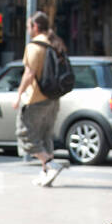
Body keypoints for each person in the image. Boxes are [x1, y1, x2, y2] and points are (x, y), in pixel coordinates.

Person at [13, 11, 68, 187]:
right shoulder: (55, 43)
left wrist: (19, 94)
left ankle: (50, 164)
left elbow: (29, 73)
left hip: (36, 98)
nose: (28, 30)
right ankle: (46, 173)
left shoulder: (34, 46)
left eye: (29, 26)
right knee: (45, 136)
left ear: (35, 27)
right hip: (53, 98)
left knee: (24, 133)